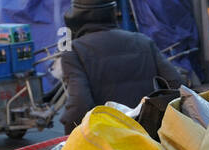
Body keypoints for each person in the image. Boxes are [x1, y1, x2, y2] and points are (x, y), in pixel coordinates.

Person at [59, 0, 184, 134]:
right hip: (149, 135)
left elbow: (80, 103)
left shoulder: (74, 51)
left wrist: (70, 134)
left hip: (108, 139)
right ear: (113, 13)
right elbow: (175, 83)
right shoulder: (143, 41)